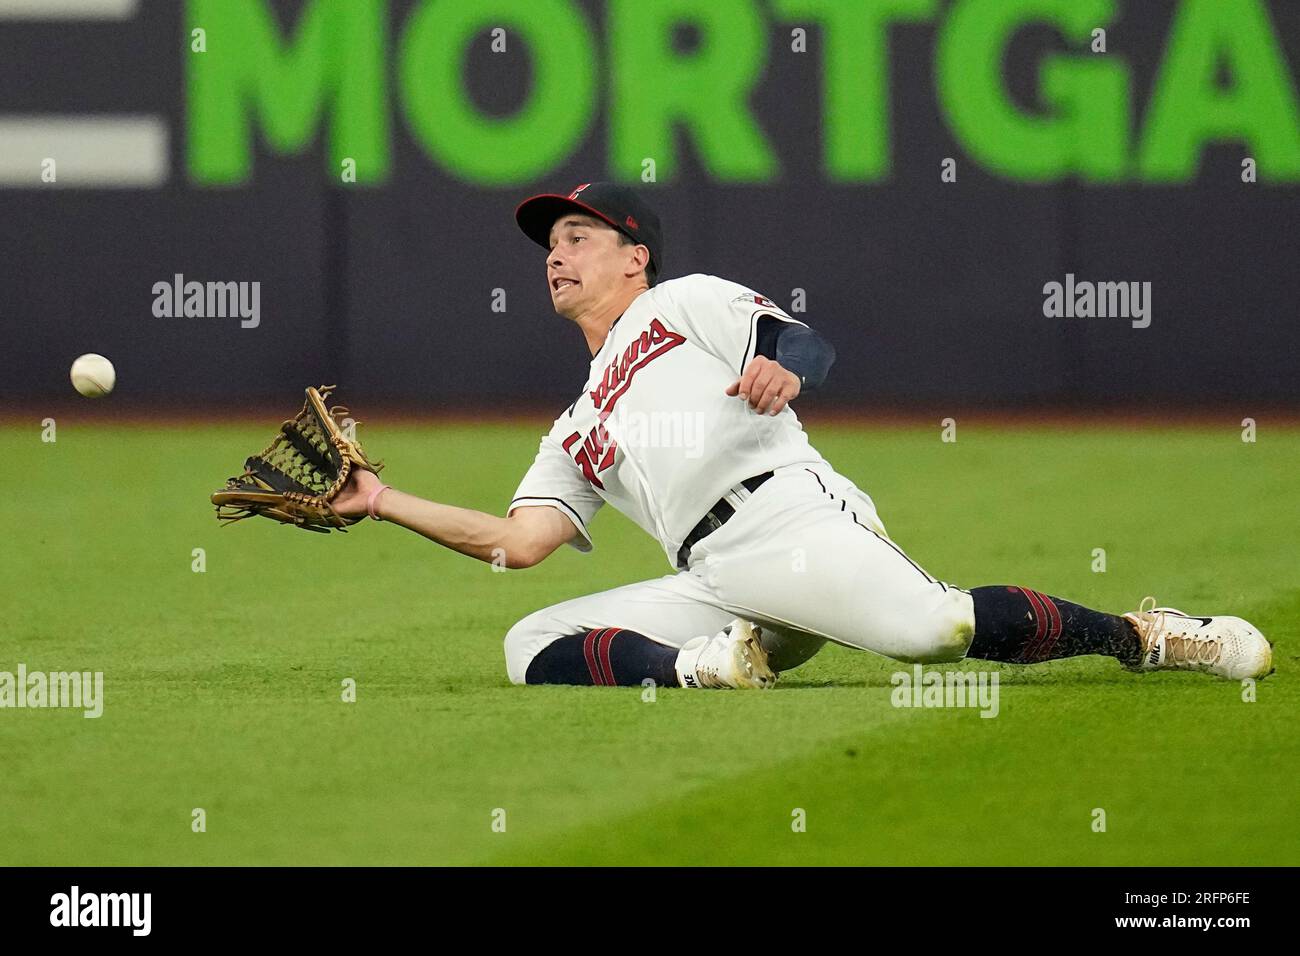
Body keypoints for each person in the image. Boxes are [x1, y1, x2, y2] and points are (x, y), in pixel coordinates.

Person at [330, 182, 1273, 689]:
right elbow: (519, 543)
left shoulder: (678, 304)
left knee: (936, 631)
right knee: (530, 642)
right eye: (551, 244)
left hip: (790, 526)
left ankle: (1145, 637)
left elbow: (795, 341)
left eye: (578, 236)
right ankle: (707, 665)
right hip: (714, 579)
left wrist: (788, 367)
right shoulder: (577, 421)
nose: (557, 255)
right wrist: (380, 501)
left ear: (635, 255)